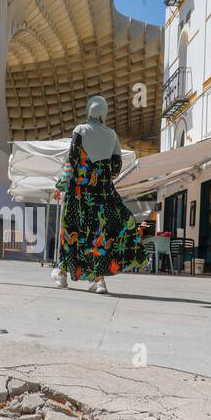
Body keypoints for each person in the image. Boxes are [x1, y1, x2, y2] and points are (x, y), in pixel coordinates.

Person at [51, 95, 145, 293]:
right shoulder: (112, 135)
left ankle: (62, 274)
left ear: (88, 110)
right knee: (98, 238)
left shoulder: (80, 130)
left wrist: (60, 186)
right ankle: (99, 281)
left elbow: (72, 162)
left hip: (78, 195)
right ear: (104, 112)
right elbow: (116, 168)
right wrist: (101, 172)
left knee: (70, 232)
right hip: (102, 197)